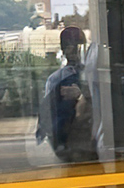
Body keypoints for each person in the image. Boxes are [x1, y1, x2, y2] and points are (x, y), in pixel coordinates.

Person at [36, 26, 97, 163]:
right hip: (65, 141)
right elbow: (49, 114)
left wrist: (81, 97)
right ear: (63, 49)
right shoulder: (56, 79)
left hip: (87, 139)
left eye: (76, 46)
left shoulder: (91, 75)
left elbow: (100, 108)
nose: (73, 50)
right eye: (69, 46)